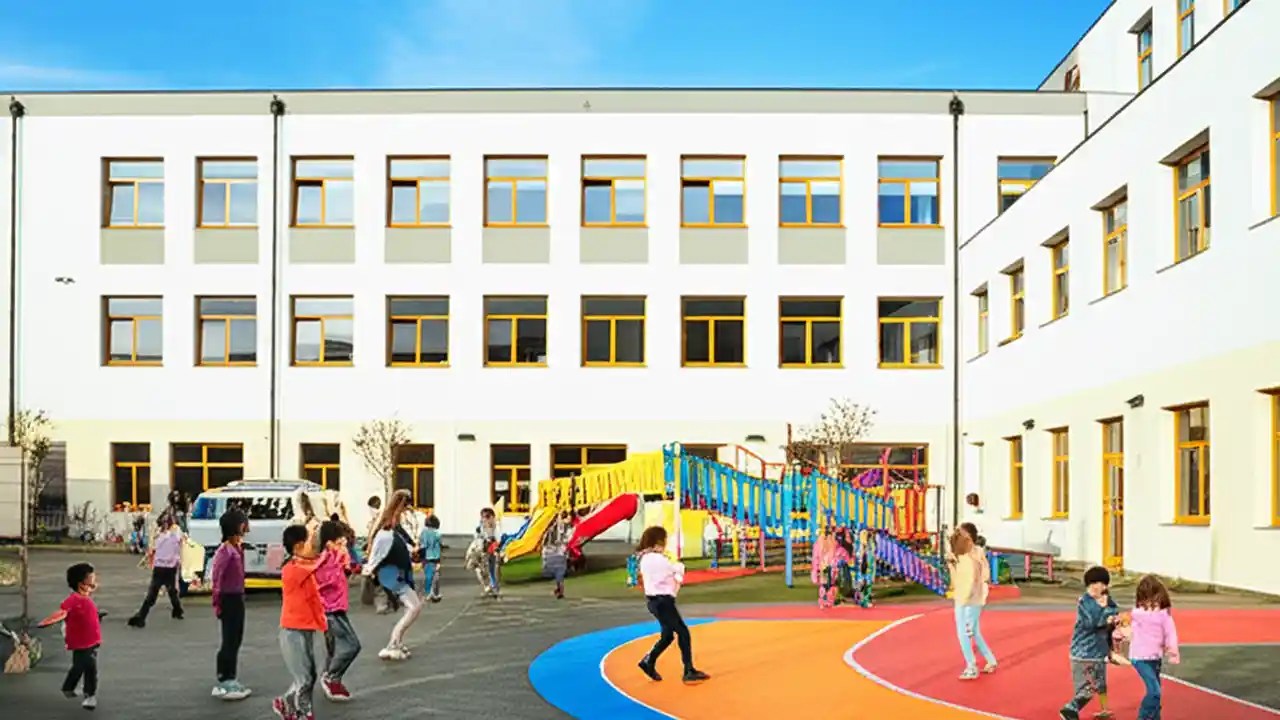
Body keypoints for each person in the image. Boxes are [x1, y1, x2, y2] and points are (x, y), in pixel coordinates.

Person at [634, 526, 710, 684]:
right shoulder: (658, 559)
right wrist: (679, 569)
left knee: (668, 635)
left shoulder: (645, 558)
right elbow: (676, 570)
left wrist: (676, 571)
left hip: (655, 601)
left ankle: (649, 661)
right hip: (663, 601)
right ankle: (688, 670)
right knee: (683, 632)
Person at [274, 524, 326, 720]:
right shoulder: (292, 570)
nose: (314, 546)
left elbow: (314, 601)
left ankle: (286, 703)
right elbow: (317, 565)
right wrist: (330, 552)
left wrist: (323, 625)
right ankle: (304, 713)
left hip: (306, 629)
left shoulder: (304, 568)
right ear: (297, 547)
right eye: (310, 542)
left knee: (309, 675)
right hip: (292, 631)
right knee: (304, 678)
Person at [363, 491, 421, 661]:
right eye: (404, 510)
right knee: (414, 607)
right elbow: (376, 555)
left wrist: (412, 551)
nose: (404, 515)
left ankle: (396, 642)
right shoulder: (386, 532)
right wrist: (369, 570)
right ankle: (393, 644)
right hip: (392, 576)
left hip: (397, 574)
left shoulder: (392, 530)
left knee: (412, 607)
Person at [1059, 566, 1120, 720]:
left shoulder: (1111, 604)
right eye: (1091, 584)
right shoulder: (1084, 602)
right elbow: (1092, 623)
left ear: (1105, 586)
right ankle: (1069, 710)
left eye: (1098, 583)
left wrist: (1111, 648)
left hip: (1099, 652)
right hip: (1083, 653)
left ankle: (1104, 710)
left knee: (1101, 684)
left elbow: (1112, 624)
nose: (1094, 587)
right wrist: (1105, 612)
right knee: (1088, 689)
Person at [317, 520, 361, 702]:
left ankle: (330, 678)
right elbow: (320, 582)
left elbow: (344, 572)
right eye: (340, 543)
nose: (343, 546)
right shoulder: (323, 559)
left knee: (333, 648)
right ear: (329, 543)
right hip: (327, 610)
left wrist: (349, 566)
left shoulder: (335, 558)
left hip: (336, 608)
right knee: (352, 645)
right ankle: (331, 677)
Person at [211, 508, 252, 701]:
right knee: (229, 640)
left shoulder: (236, 548)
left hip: (237, 597)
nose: (247, 526)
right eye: (244, 523)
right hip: (228, 598)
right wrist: (217, 603)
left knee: (236, 639)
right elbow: (217, 578)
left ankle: (231, 678)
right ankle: (225, 679)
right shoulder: (225, 551)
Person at [1127, 575, 1180, 720]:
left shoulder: (1164, 615)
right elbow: (1131, 630)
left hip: (1155, 657)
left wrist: (1173, 651)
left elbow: (1170, 633)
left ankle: (1155, 717)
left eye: (1156, 597)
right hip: (1139, 658)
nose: (1153, 601)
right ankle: (1143, 717)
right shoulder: (1138, 614)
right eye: (1148, 598)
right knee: (1154, 691)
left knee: (1157, 692)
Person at [949, 530, 997, 679]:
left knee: (963, 632)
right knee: (974, 631)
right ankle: (990, 660)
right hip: (974, 597)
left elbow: (968, 580)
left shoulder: (968, 558)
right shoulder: (973, 555)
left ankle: (971, 666)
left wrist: (965, 598)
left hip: (968, 598)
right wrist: (951, 565)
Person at [127, 515, 184, 628]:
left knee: (154, 593)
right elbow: (180, 544)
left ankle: (141, 616)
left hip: (160, 567)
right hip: (170, 567)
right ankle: (177, 610)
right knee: (171, 590)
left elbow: (152, 550)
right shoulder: (175, 535)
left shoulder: (158, 536)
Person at [59, 562, 102, 710]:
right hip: (82, 641)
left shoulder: (85, 600)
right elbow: (64, 615)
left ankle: (71, 689)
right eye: (91, 579)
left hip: (90, 640)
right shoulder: (74, 601)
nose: (94, 583)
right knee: (87, 667)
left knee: (82, 665)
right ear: (81, 584)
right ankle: (87, 694)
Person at [542, 511, 572, 599]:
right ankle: (559, 588)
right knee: (557, 571)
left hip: (559, 551)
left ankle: (560, 589)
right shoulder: (554, 527)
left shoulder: (567, 528)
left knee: (560, 572)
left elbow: (567, 539)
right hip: (554, 551)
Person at [418, 514, 443, 602]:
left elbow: (422, 545)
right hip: (436, 557)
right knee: (435, 576)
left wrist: (420, 557)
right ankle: (434, 593)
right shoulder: (437, 534)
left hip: (426, 557)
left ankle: (428, 593)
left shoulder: (423, 533)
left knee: (428, 575)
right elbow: (440, 545)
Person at [476, 508, 501, 597]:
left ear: (492, 517)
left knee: (493, 569)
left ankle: (494, 587)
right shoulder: (481, 527)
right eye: (483, 517)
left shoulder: (495, 527)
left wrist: (494, 546)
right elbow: (478, 537)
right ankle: (487, 586)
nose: (484, 519)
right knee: (482, 570)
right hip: (484, 549)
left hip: (492, 549)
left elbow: (498, 539)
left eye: (487, 516)